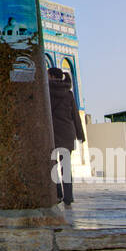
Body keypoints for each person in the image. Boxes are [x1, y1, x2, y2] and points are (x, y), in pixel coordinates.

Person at [48, 66, 85, 205]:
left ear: (51, 76)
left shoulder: (47, 92)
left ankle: (58, 193)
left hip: (52, 133)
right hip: (68, 134)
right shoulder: (68, 93)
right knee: (66, 166)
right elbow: (75, 116)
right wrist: (80, 134)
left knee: (52, 165)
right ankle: (68, 197)